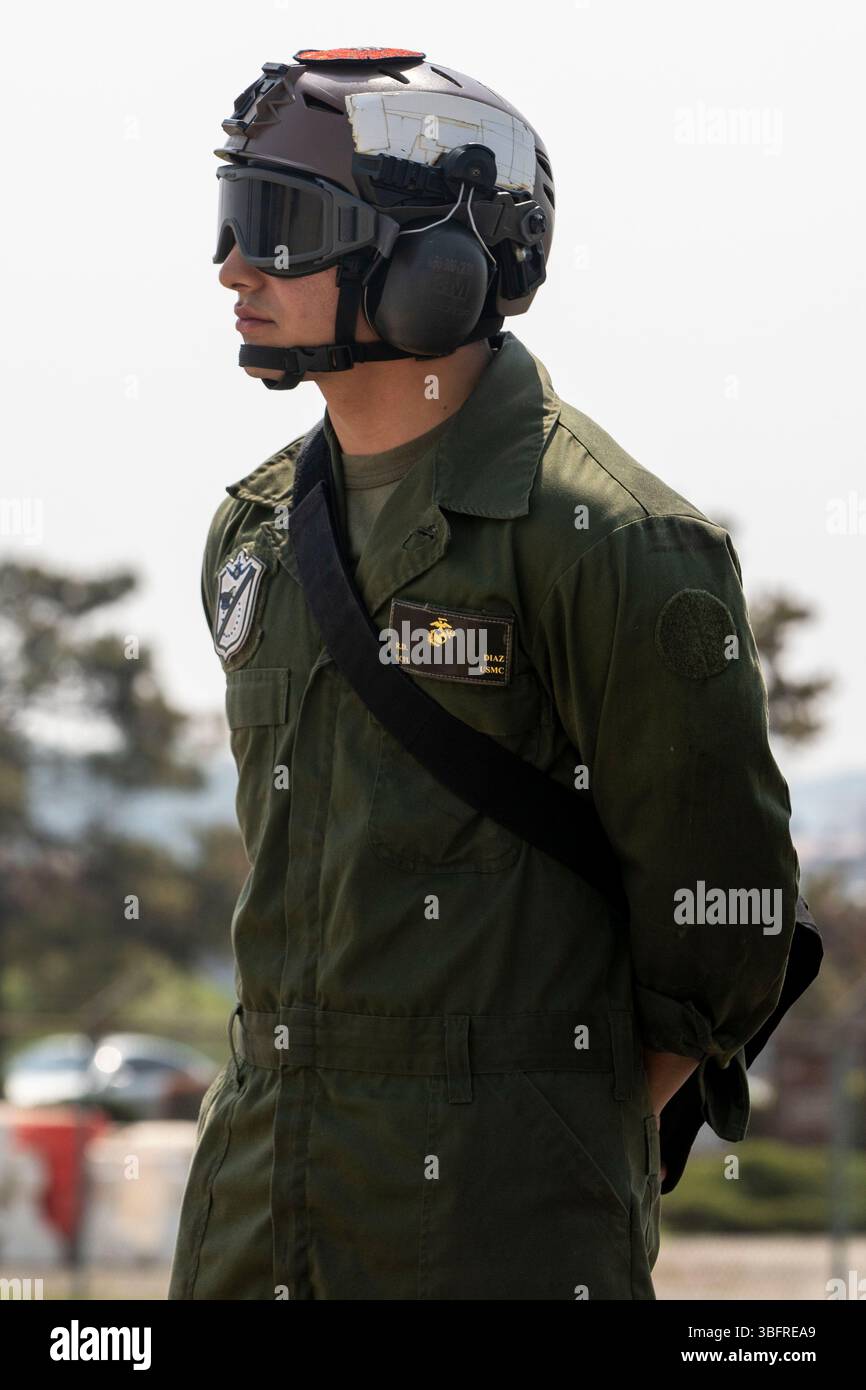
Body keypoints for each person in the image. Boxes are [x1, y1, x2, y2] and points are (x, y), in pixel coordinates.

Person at [168, 48, 808, 1301]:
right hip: (256, 1203)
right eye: (232, 218)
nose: (234, 266)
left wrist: (528, 1113)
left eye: (280, 226)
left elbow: (729, 918)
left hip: (494, 1231)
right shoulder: (253, 537)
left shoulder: (613, 546)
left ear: (431, 269)